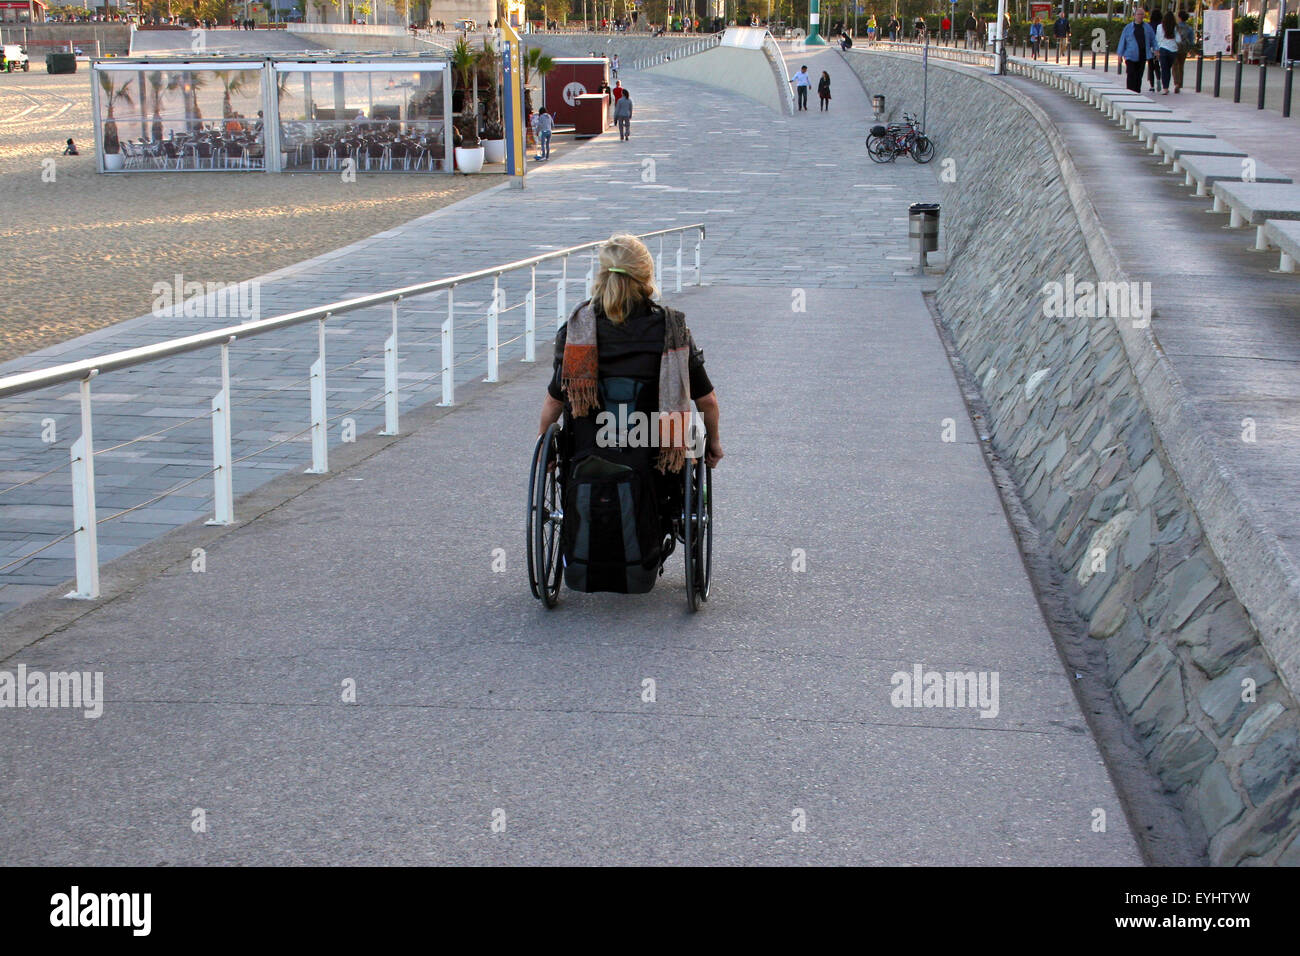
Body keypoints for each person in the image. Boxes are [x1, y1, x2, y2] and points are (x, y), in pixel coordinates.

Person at [537, 234, 723, 581]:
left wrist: (543, 448)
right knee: (686, 432)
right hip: (655, 451)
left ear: (601, 276)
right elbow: (707, 401)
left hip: (588, 450)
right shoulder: (672, 328)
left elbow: (554, 401)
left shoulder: (578, 328)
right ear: (646, 277)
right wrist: (713, 444)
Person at [1117, 7, 1157, 94]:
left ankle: (1136, 92)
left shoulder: (1147, 27)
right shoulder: (1128, 28)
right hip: (1130, 55)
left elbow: (1153, 39)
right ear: (1134, 16)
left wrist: (1156, 49)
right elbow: (1122, 41)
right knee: (1131, 74)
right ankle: (1130, 92)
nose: (1140, 16)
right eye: (1138, 14)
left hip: (1142, 55)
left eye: (1142, 14)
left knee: (1139, 76)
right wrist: (1120, 55)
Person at [1155, 10, 1178, 95]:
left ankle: (1165, 88)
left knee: (1164, 69)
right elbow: (1178, 39)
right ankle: (1170, 85)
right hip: (1173, 50)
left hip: (1163, 49)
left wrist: (1156, 50)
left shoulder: (1159, 27)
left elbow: (1157, 39)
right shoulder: (1175, 27)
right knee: (1169, 68)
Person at [1172, 10, 1195, 93]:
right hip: (1184, 49)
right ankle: (1180, 83)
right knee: (1181, 66)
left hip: (1175, 48)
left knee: (1175, 66)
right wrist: (1190, 49)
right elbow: (1192, 41)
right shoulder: (1189, 28)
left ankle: (1176, 83)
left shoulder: (1175, 27)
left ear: (1179, 17)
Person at [1147, 7, 1164, 91]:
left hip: (1150, 48)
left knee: (1150, 66)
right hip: (1159, 47)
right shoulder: (1161, 25)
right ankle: (1158, 79)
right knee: (1157, 65)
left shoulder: (1149, 25)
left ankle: (1152, 86)